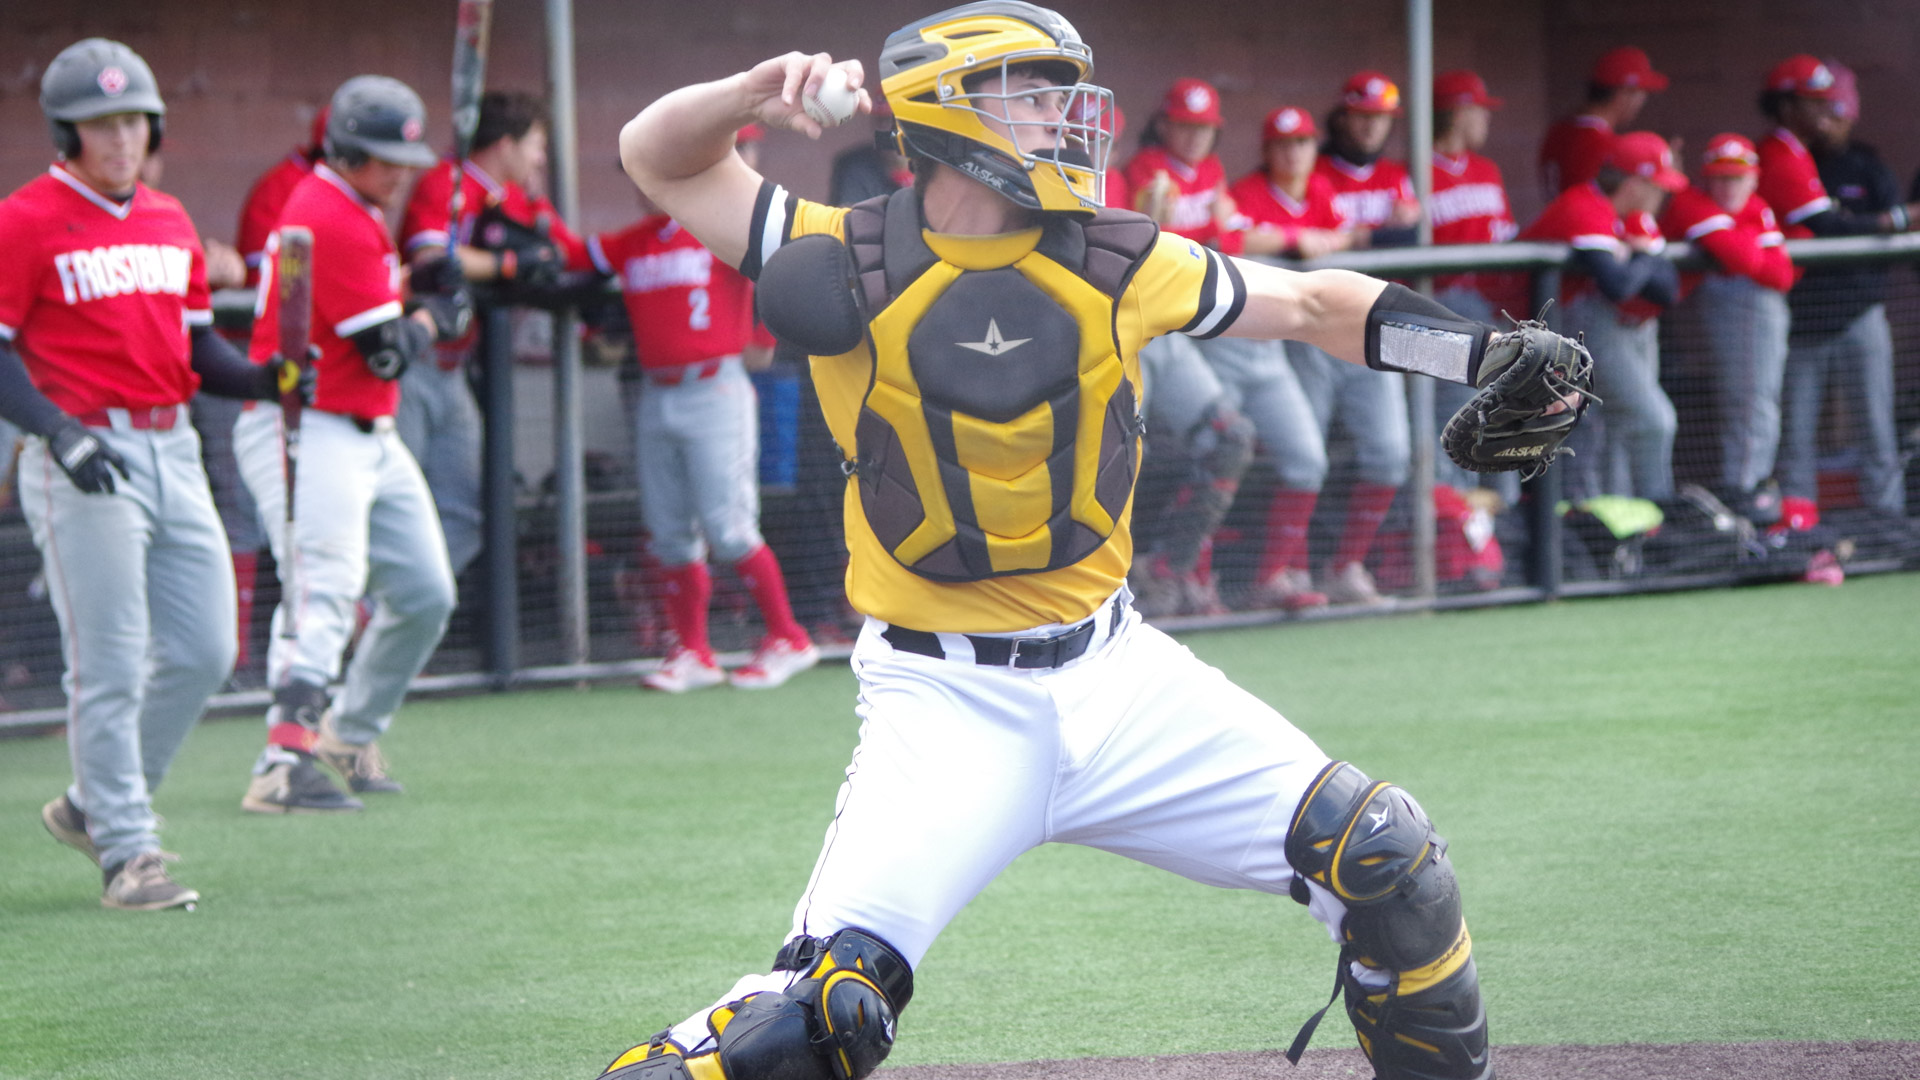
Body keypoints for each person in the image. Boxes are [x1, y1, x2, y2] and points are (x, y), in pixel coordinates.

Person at [596, 3, 1590, 1077]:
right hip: (945, 704)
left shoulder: (1123, 255)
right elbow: (655, 156)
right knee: (819, 1016)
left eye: (1061, 89)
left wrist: (1476, 352)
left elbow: (1308, 305)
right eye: (1029, 90)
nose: (1064, 115)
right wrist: (750, 96)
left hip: (1122, 681)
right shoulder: (838, 255)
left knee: (1388, 859)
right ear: (945, 105)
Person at [1, 39, 295, 908]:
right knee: (110, 662)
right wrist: (57, 432)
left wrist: (265, 379)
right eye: (101, 125)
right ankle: (130, 852)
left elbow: (198, 347)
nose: (121, 139)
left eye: (133, 121)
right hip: (81, 452)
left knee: (209, 648)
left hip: (174, 448)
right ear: (67, 133)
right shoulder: (23, 218)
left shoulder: (170, 219)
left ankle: (95, 804)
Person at [234, 75, 466, 813]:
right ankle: (280, 763)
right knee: (321, 590)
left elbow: (371, 319)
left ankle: (347, 731)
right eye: (379, 159)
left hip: (367, 426)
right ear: (342, 150)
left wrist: (417, 283)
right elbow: (388, 352)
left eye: (402, 160)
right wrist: (438, 313)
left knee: (426, 592)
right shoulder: (328, 213)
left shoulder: (350, 207)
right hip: (308, 424)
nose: (396, 174)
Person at [589, 126, 819, 692]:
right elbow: (574, 258)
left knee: (730, 525)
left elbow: (780, 264)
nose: (641, 186)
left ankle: (788, 637)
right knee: (668, 530)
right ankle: (693, 651)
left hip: (715, 388)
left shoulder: (718, 227)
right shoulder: (636, 239)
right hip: (656, 392)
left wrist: (763, 336)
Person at [399, 90, 594, 578]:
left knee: (470, 513)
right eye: (535, 145)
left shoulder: (519, 197)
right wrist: (509, 263)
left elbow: (569, 254)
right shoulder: (444, 181)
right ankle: (377, 611)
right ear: (505, 143)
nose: (540, 157)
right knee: (394, 507)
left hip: (454, 370)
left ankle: (404, 608)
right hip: (410, 364)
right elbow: (430, 259)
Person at [1118, 78, 1254, 616]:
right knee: (1117, 457)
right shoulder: (1140, 171)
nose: (1196, 139)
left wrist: (1199, 233)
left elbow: (1235, 241)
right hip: (1131, 330)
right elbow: (1143, 246)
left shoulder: (1213, 173)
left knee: (1232, 438)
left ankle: (1170, 569)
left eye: (1205, 129)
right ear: (1164, 125)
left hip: (1178, 333)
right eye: (1185, 127)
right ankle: (1107, 589)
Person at [1757, 55, 1913, 521]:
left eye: (1832, 103)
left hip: (1857, 310)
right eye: (1816, 103)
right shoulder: (1779, 152)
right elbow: (1827, 225)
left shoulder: (1850, 159)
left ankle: (1889, 523)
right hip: (1802, 316)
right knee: (1795, 430)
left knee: (1875, 426)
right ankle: (1798, 525)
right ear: (1787, 106)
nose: (1829, 113)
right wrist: (1899, 219)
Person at [1217, 105, 1357, 610]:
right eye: (1283, 143)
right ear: (1266, 150)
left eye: (1302, 142)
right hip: (1226, 341)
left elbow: (1347, 233)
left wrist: (1309, 241)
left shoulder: (1320, 187)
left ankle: (1275, 576)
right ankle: (1191, 580)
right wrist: (1297, 240)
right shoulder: (1244, 189)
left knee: (1306, 458)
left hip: (1278, 347)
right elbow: (1235, 238)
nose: (1294, 153)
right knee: (1215, 449)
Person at [1292, 71, 1418, 605]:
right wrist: (1375, 232)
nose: (1371, 128)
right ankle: (1289, 571)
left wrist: (1353, 239)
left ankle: (1347, 565)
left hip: (1377, 329)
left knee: (1390, 454)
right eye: (1362, 116)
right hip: (1315, 331)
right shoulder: (1315, 171)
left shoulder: (1395, 174)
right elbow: (1311, 240)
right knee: (1303, 454)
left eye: (1381, 119)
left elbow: (1409, 230)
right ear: (1342, 116)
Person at [1522, 131, 1683, 503]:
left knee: (1586, 432)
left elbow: (1668, 289)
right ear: (1635, 183)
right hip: (1498, 320)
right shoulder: (1584, 205)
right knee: (1651, 421)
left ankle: (1604, 529)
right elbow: (1618, 285)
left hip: (1552, 332)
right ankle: (1657, 513)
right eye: (1657, 186)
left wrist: (1638, 259)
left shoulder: (1630, 216)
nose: (1664, 195)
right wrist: (1643, 259)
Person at [1659, 134, 1795, 510]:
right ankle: (1741, 494)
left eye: (1737, 177)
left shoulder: (1757, 205)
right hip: (1635, 310)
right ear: (1707, 178)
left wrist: (1741, 239)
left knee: (1757, 404)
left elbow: (1781, 274)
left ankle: (1748, 492)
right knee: (1744, 405)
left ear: (1753, 178)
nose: (1729, 186)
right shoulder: (1693, 202)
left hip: (1679, 316)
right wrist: (1747, 239)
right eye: (1720, 177)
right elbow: (1746, 261)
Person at [1428, 71, 1524, 502]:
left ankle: (1503, 517)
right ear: (1458, 112)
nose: (1485, 119)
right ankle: (1456, 518)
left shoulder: (1487, 170)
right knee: (1455, 415)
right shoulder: (1417, 167)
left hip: (1492, 313)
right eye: (1479, 110)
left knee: (1504, 409)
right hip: (1444, 309)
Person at [1539, 46, 1668, 197]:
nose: (1643, 101)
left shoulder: (1559, 130)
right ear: (1625, 92)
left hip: (1561, 216)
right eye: (1641, 92)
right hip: (1585, 219)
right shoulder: (1598, 142)